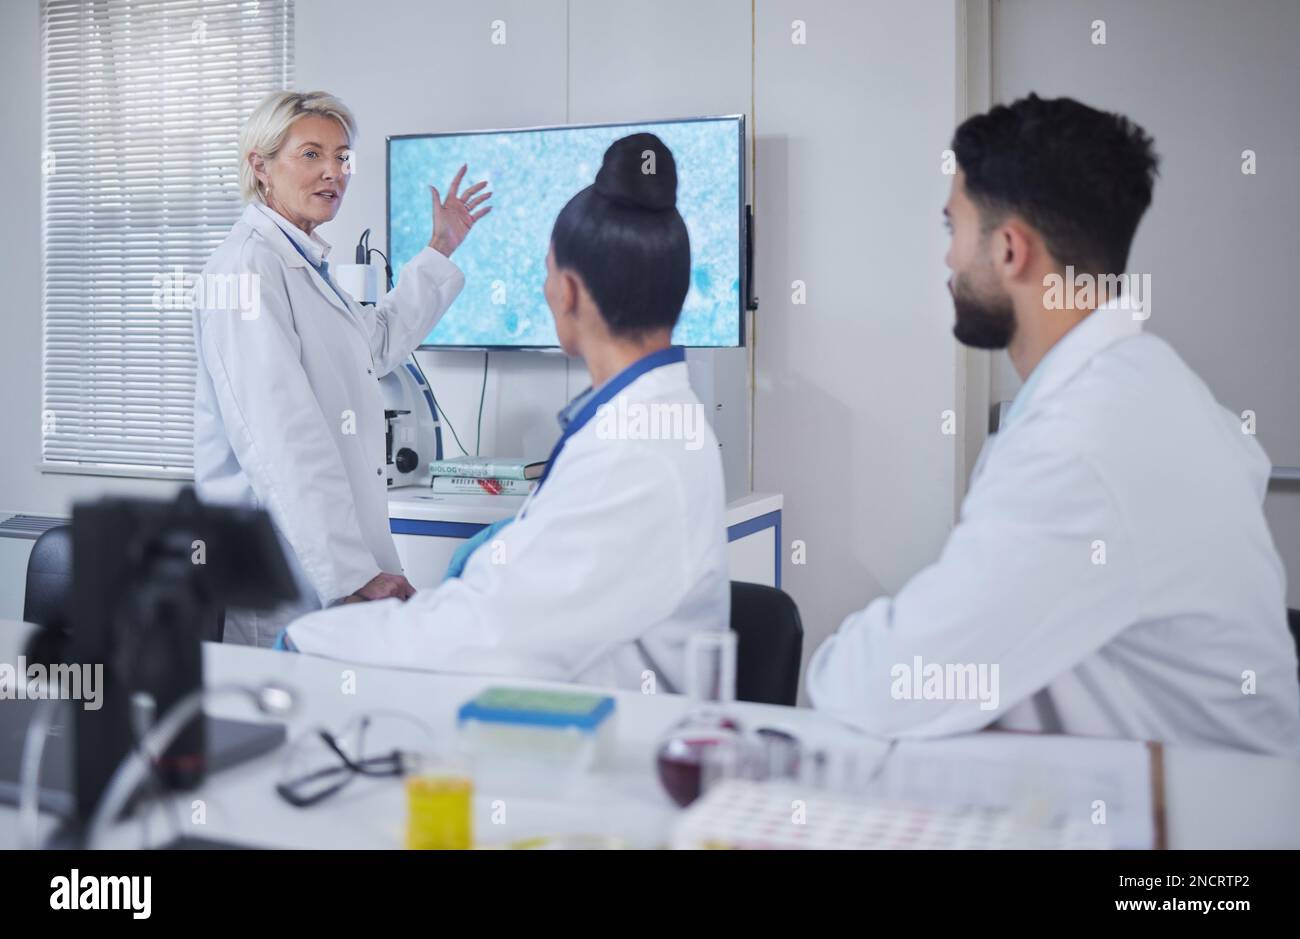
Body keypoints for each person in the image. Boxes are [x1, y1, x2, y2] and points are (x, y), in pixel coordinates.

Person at [807, 94, 1300, 756]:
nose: (949, 261)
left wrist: (831, 660)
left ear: (1010, 249)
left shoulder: (1083, 442)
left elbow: (880, 687)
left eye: (952, 228)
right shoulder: (1155, 384)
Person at [283, 133, 730, 692]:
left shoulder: (634, 453)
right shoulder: (655, 422)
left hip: (610, 740)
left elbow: (490, 637)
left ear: (565, 292)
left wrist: (313, 640)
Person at [192, 90, 491, 647]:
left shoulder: (301, 259)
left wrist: (440, 248)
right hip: (288, 565)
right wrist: (351, 573)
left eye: (342, 156)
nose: (333, 171)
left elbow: (371, 345)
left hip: (327, 556)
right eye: (311, 154)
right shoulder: (246, 268)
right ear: (260, 166)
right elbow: (280, 439)